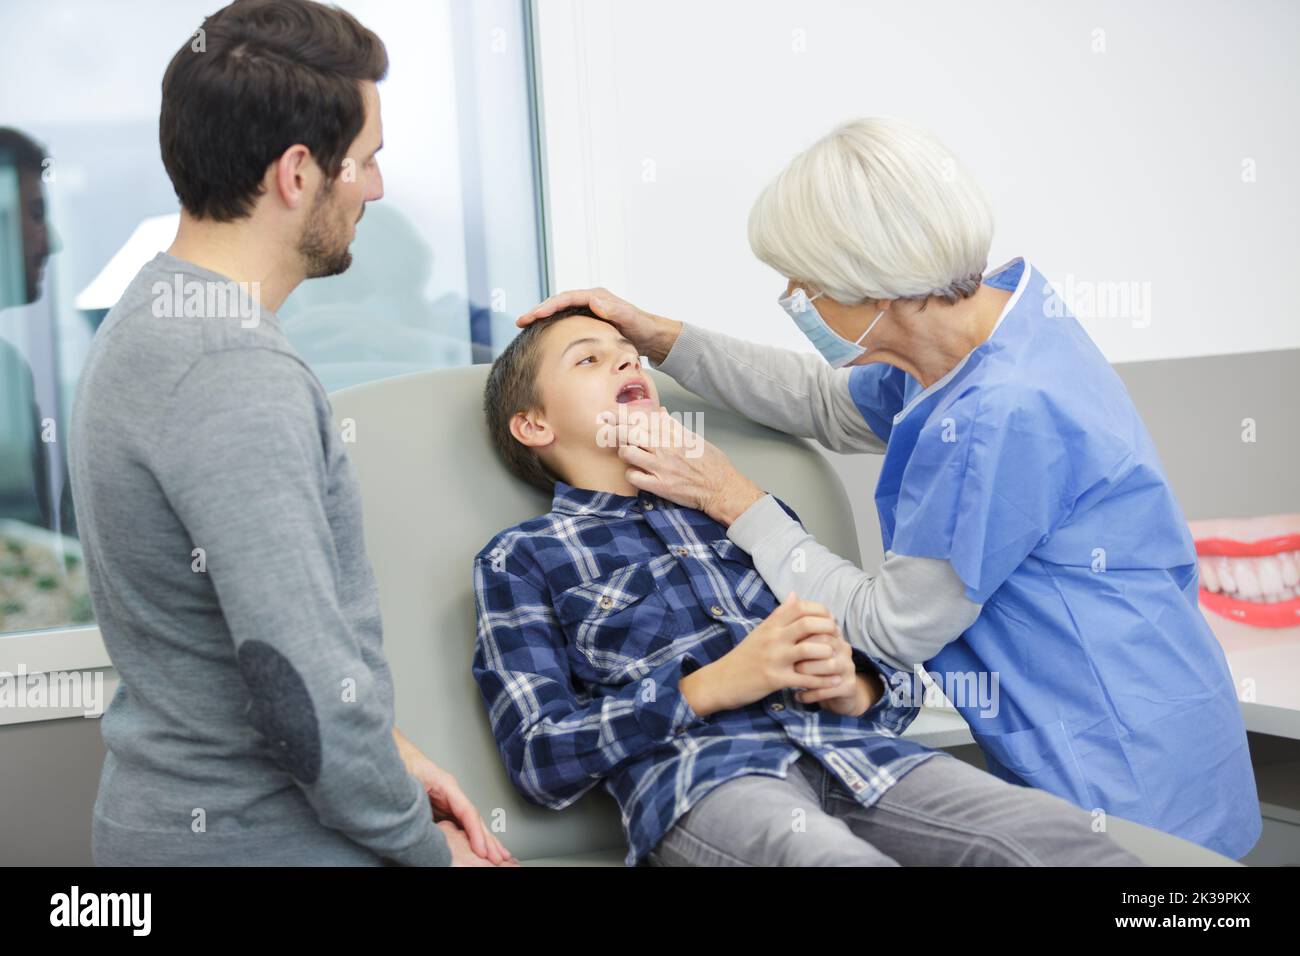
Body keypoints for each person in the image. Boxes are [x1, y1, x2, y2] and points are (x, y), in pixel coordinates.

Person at [518, 117, 1261, 860]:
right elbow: (821, 401)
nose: (792, 298)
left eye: (803, 283)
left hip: (1122, 754)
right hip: (1120, 713)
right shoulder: (977, 331)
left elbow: (890, 631)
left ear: (870, 279)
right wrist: (657, 336)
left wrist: (733, 500)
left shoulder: (1000, 412)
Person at [68, 0, 513, 867]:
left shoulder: (151, 313)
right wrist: (422, 848)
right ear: (297, 173)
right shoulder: (234, 376)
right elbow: (299, 685)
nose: (376, 188)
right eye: (368, 160)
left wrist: (395, 755)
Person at [471, 307, 1144, 867]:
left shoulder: (738, 516)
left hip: (860, 754)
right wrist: (711, 685)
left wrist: (854, 685)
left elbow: (895, 677)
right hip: (708, 780)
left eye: (628, 353)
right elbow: (540, 757)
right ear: (535, 425)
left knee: (1061, 841)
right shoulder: (522, 559)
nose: (626, 362)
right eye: (589, 360)